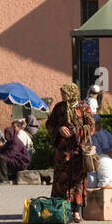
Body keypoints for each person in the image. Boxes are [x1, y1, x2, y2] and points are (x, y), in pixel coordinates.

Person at [44, 83, 93, 217]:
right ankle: (60, 210)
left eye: (65, 93)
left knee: (77, 181)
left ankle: (76, 211)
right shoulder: (59, 108)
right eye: (62, 93)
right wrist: (59, 129)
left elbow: (91, 126)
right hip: (62, 151)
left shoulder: (83, 108)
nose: (63, 96)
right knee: (61, 180)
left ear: (72, 93)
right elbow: (49, 124)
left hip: (78, 151)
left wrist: (76, 131)